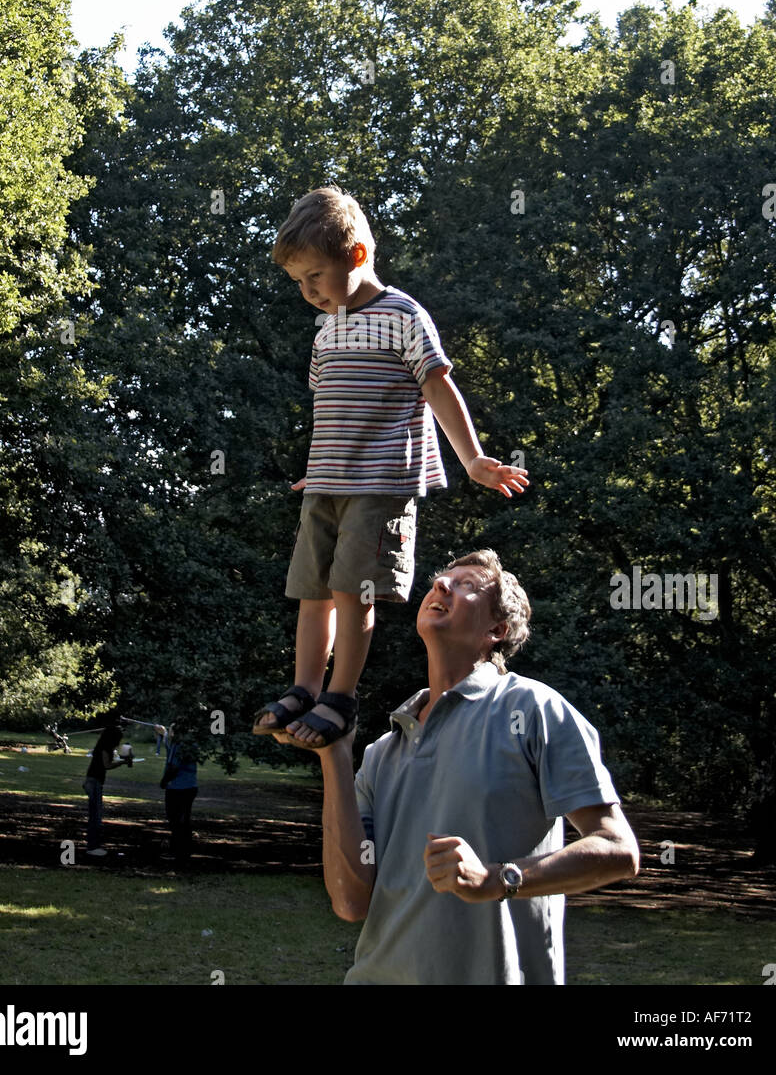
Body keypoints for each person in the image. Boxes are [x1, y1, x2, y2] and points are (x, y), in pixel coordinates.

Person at [254, 186, 529, 748]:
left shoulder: (403, 315)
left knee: (354, 591)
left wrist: (472, 458)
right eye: (298, 283)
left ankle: (340, 695)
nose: (307, 293)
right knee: (313, 591)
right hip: (328, 483)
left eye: (314, 278)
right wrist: (321, 466)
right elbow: (333, 407)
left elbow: (436, 385)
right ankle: (305, 686)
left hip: (381, 485)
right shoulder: (327, 328)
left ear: (356, 256)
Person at [306, 549, 639, 985]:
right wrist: (335, 754)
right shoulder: (383, 751)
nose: (441, 586)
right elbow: (351, 902)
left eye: (466, 585)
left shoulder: (532, 709)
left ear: (496, 631)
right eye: (441, 579)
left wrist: (499, 878)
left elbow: (618, 850)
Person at [84, 724, 131, 858]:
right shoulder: (105, 748)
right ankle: (93, 846)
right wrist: (122, 762)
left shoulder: (102, 746)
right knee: (95, 816)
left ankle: (94, 845)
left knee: (95, 814)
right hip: (94, 782)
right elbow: (107, 765)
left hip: (93, 781)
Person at [154, 722, 198, 865]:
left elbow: (174, 766)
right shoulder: (191, 744)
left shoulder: (178, 746)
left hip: (177, 788)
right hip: (190, 786)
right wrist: (164, 733)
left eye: (171, 730)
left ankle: (178, 850)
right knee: (184, 819)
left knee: (175, 819)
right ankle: (185, 850)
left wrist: (164, 781)